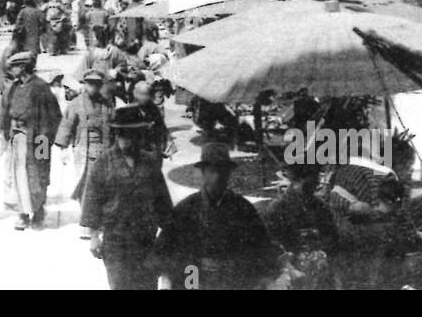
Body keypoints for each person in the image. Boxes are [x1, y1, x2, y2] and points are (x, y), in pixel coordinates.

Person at [155, 142, 280, 290]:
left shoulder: (243, 208)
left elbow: (262, 247)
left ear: (229, 173)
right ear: (203, 172)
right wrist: (166, 281)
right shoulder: (186, 208)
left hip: (232, 280)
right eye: (213, 170)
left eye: (223, 170)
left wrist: (268, 279)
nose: (218, 176)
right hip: (194, 279)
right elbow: (165, 248)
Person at [80, 105, 174, 290]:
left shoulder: (150, 163)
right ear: (116, 134)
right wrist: (93, 236)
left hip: (145, 240)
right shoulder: (103, 162)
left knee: (147, 284)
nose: (127, 140)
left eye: (133, 134)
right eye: (123, 134)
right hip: (116, 242)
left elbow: (162, 201)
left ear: (140, 135)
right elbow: (92, 199)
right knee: (120, 285)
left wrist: (170, 235)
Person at [0, 51, 62, 230]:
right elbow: (2, 113)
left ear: (23, 67)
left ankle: (38, 212)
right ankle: (22, 213)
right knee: (17, 176)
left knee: (39, 174)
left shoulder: (41, 87)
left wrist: (44, 141)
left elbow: (53, 117)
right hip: (17, 138)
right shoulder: (13, 87)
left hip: (39, 138)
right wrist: (4, 134)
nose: (11, 70)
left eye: (14, 66)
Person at [55, 69, 114, 239]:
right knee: (87, 186)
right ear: (84, 84)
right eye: (90, 83)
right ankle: (87, 223)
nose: (93, 87)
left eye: (97, 84)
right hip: (84, 150)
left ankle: (99, 220)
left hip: (104, 150)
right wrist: (63, 149)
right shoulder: (76, 103)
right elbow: (66, 125)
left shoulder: (106, 104)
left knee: (104, 186)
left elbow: (114, 126)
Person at [265, 160, 338, 289]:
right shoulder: (278, 208)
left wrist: (321, 252)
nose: (317, 182)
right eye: (314, 177)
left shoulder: (320, 206)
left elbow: (332, 237)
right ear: (299, 179)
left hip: (321, 272)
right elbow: (273, 245)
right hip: (292, 272)